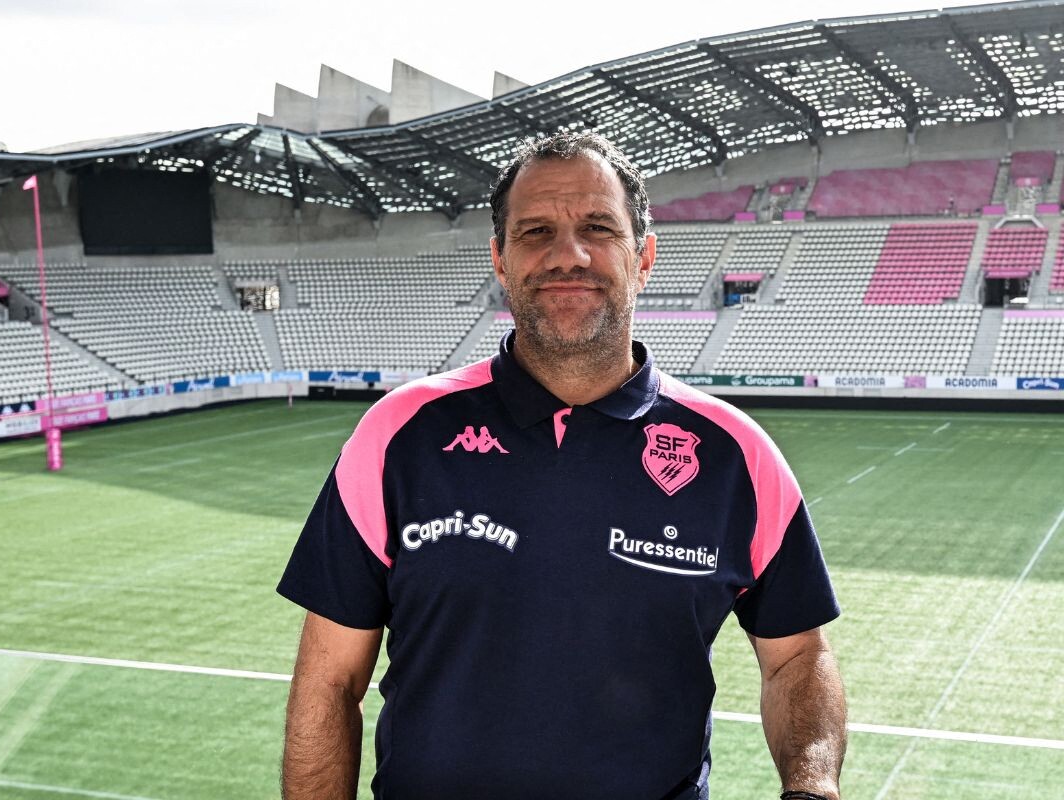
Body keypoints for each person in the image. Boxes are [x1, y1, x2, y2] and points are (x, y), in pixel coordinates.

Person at [277, 131, 846, 800]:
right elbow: (328, 681)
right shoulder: (397, 436)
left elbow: (798, 658)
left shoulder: (736, 455)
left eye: (598, 228)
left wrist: (812, 787)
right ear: (499, 259)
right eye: (535, 231)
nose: (567, 255)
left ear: (645, 258)